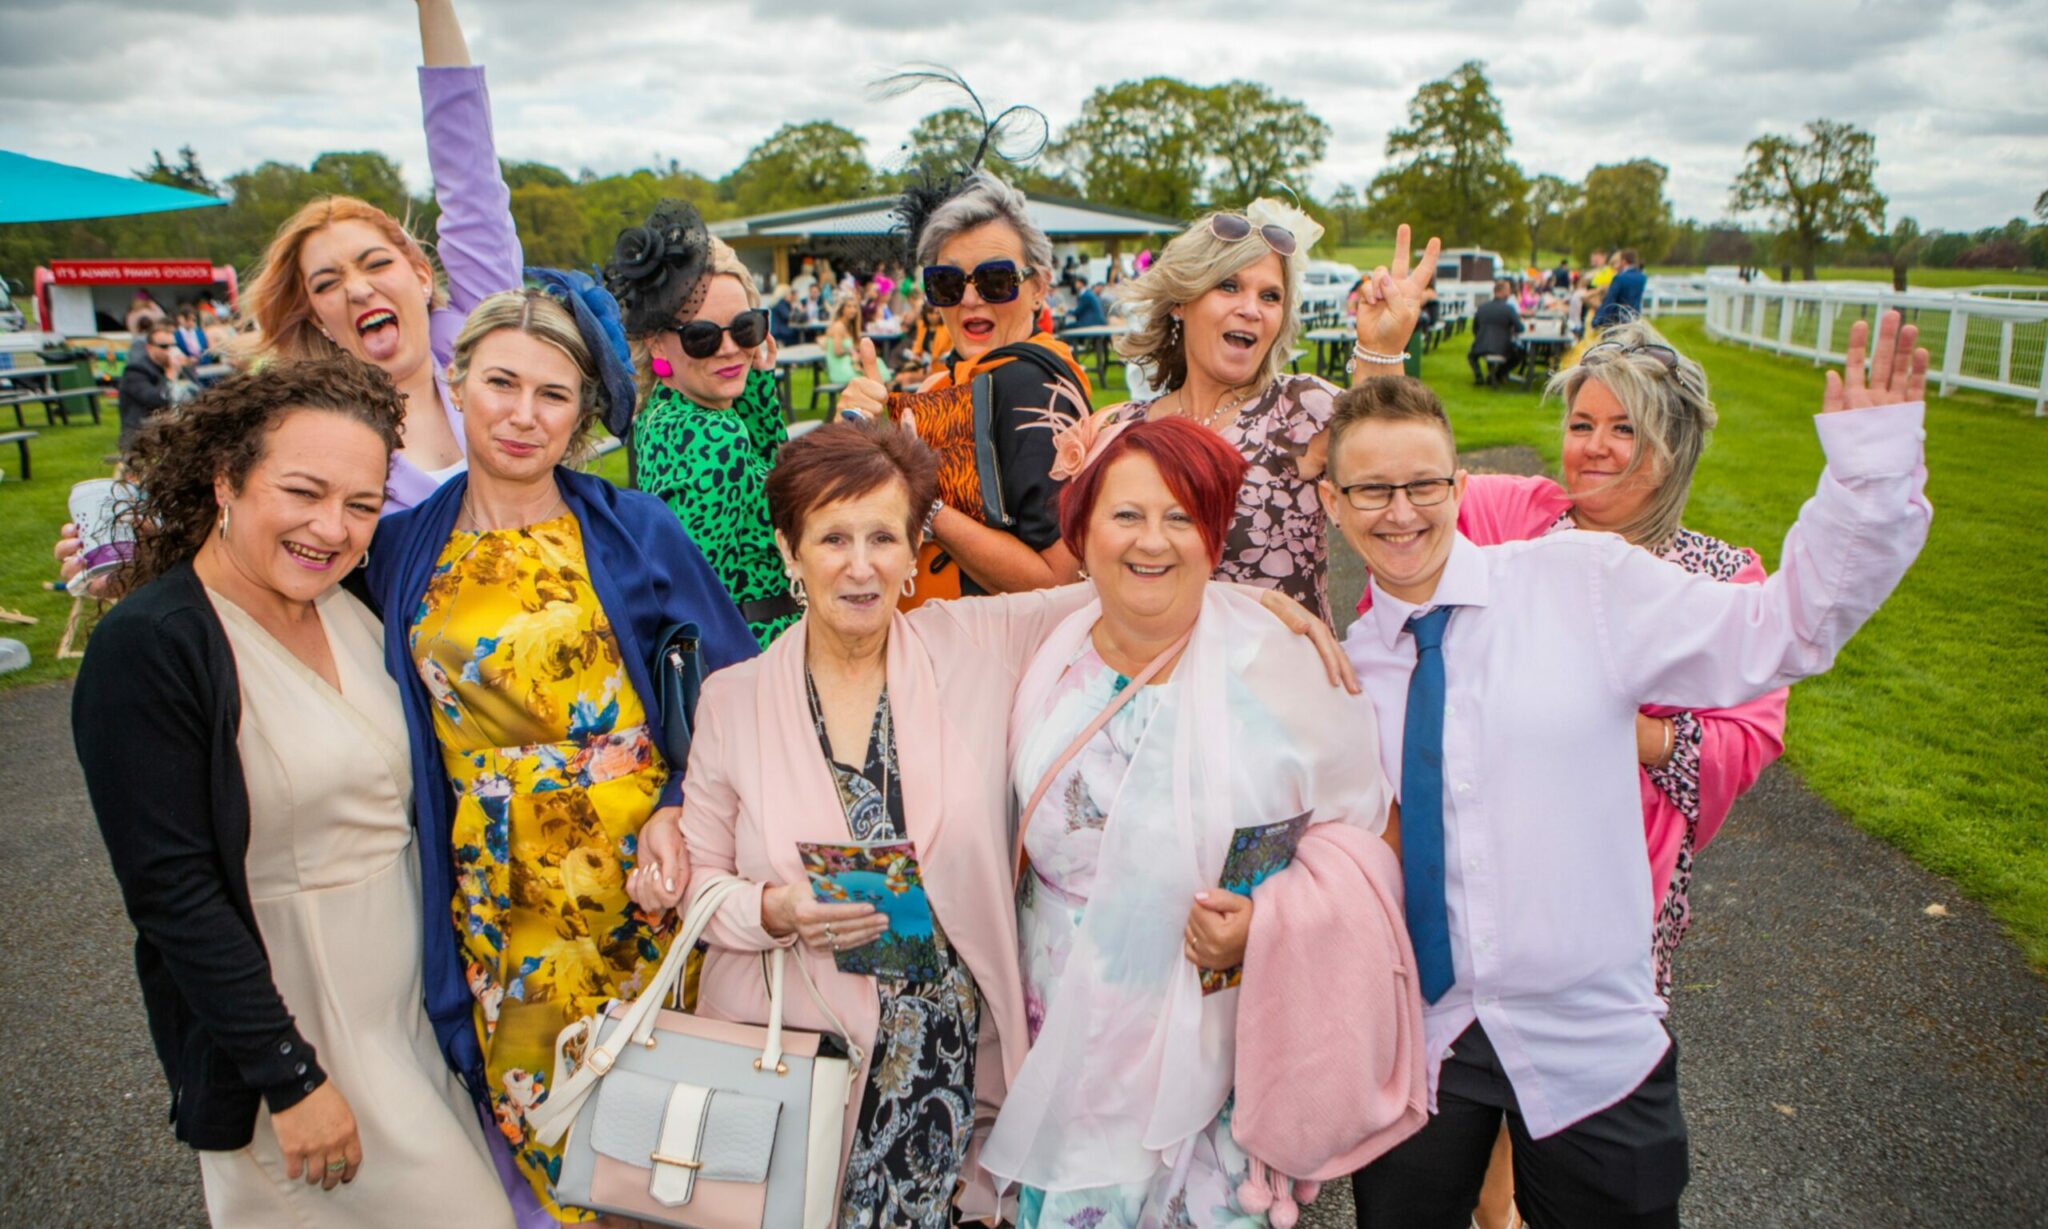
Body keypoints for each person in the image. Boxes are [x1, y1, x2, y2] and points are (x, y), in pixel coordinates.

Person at [635, 416, 1350, 1227]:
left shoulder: (976, 642)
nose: (861, 566)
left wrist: (1255, 602)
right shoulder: (734, 699)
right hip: (798, 1056)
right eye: (833, 538)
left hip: (944, 1071)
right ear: (788, 549)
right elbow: (698, 889)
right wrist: (774, 909)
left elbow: (1133, 580)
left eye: (884, 536)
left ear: (914, 554)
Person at [1330, 313, 1931, 1227]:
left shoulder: (1585, 583)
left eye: (1421, 485)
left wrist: (1869, 474)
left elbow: (1788, 629)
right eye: (1371, 490)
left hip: (1588, 1041)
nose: (1399, 510)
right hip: (1422, 1036)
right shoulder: (1345, 669)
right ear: (1334, 504)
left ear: (1461, 487)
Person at [73, 358, 516, 1228]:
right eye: (303, 491)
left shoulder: (354, 602)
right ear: (226, 480)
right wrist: (290, 1074)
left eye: (360, 504)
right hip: (292, 1038)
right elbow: (173, 892)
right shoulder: (153, 645)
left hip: (408, 1024)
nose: (332, 528)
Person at [365, 287, 757, 1222]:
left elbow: (742, 691)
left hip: (649, 881)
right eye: (501, 381)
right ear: (456, 382)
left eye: (554, 392)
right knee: (573, 1152)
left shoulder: (636, 528)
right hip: (506, 900)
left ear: (583, 411)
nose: (522, 413)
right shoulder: (392, 551)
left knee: (692, 1137)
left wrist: (681, 806)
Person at [982, 416, 1394, 1228]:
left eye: (1182, 518)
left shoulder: (1279, 666)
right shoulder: (1044, 648)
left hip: (1217, 1045)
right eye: (1127, 515)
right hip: (1068, 1034)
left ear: (1213, 535)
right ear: (1083, 528)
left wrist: (1271, 921)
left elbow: (1365, 838)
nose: (1154, 541)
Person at [232, 0, 520, 514]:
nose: (358, 288)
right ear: (319, 321)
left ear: (422, 276)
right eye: (326, 283)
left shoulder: (478, 340)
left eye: (376, 263)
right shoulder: (312, 424)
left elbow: (470, 175)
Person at [1113, 211, 1439, 623]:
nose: (1251, 309)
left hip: (1282, 675)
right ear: (1181, 300)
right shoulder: (1126, 430)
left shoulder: (1299, 408)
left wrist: (1382, 350)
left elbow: (1390, 465)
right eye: (1229, 286)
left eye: (1270, 296)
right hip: (1162, 677)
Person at [839, 169, 1092, 602]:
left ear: (1038, 288)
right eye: (948, 283)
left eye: (996, 280)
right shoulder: (951, 379)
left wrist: (923, 500)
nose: (971, 299)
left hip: (993, 656)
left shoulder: (1032, 386)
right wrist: (865, 436)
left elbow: (1058, 581)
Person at [609, 201, 799, 648]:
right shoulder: (715, 437)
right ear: (657, 342)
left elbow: (771, 466)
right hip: (751, 655)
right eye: (702, 337)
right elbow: (694, 596)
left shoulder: (663, 414)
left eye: (745, 328)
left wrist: (754, 381)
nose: (730, 349)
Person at [117, 321, 182, 450]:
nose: (170, 350)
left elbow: (197, 391)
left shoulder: (175, 366)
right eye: (164, 346)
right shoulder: (135, 370)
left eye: (174, 345)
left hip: (172, 431)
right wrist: (170, 377)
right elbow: (155, 400)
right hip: (141, 435)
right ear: (149, 348)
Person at [1467, 279, 1525, 385]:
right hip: (1502, 347)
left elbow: (1475, 329)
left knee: (1471, 356)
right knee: (1519, 354)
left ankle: (1479, 376)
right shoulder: (1509, 309)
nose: (1510, 292)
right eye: (1508, 290)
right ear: (1502, 292)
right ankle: (1499, 374)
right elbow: (1520, 328)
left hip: (1480, 346)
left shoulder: (1482, 308)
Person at [1593, 248, 1648, 328]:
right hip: (1635, 319)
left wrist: (1598, 319)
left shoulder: (1619, 278)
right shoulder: (1642, 277)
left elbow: (1610, 300)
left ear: (1624, 261)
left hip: (1618, 321)